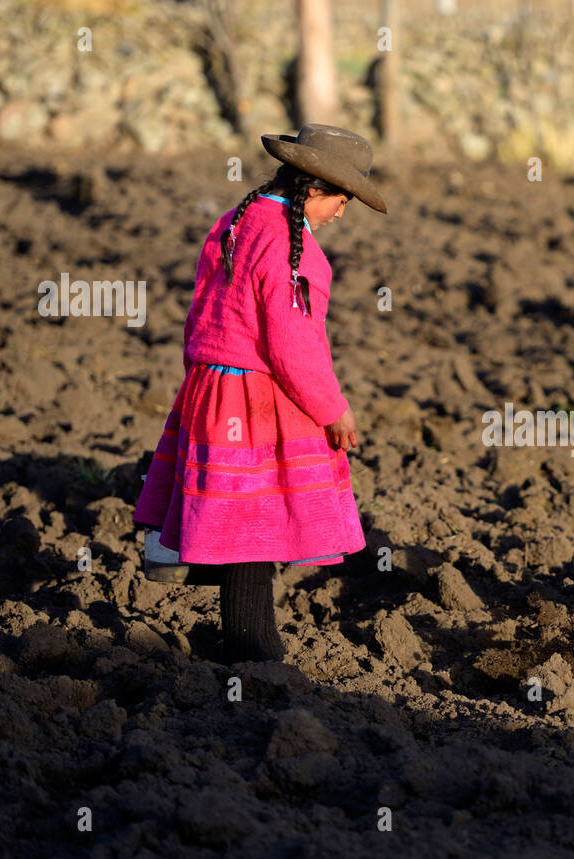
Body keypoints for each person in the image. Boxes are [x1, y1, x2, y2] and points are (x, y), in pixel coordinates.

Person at [133, 124, 387, 662]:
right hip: (255, 395)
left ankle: (242, 634)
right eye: (341, 201)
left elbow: (201, 313)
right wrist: (332, 409)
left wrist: (201, 377)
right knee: (254, 520)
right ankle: (254, 647)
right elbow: (292, 344)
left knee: (236, 512)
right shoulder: (287, 244)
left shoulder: (234, 221)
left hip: (212, 384)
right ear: (313, 188)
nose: (341, 214)